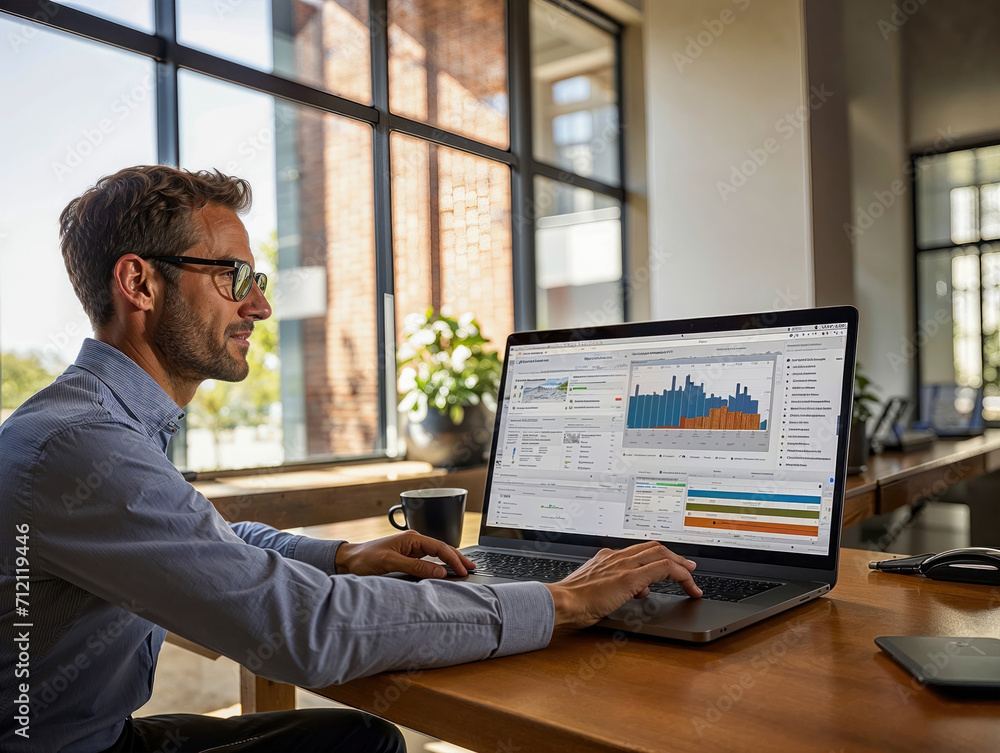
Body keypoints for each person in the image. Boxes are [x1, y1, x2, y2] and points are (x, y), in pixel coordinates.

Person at [0, 166, 701, 752]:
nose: (261, 306)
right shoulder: (79, 447)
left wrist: (342, 555)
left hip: (84, 733)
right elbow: (305, 630)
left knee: (363, 739)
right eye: (234, 276)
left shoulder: (94, 422)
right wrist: (564, 599)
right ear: (141, 284)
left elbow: (202, 541)